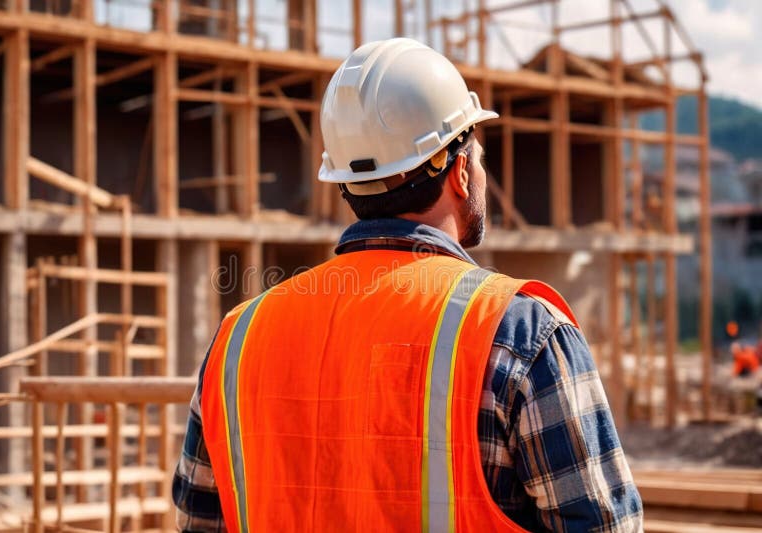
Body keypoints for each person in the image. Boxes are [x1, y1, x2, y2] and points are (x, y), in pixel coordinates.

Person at [173, 38, 642, 532]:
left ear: (346, 182)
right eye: (478, 157)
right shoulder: (517, 332)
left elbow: (198, 521)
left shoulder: (238, 340)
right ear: (460, 172)